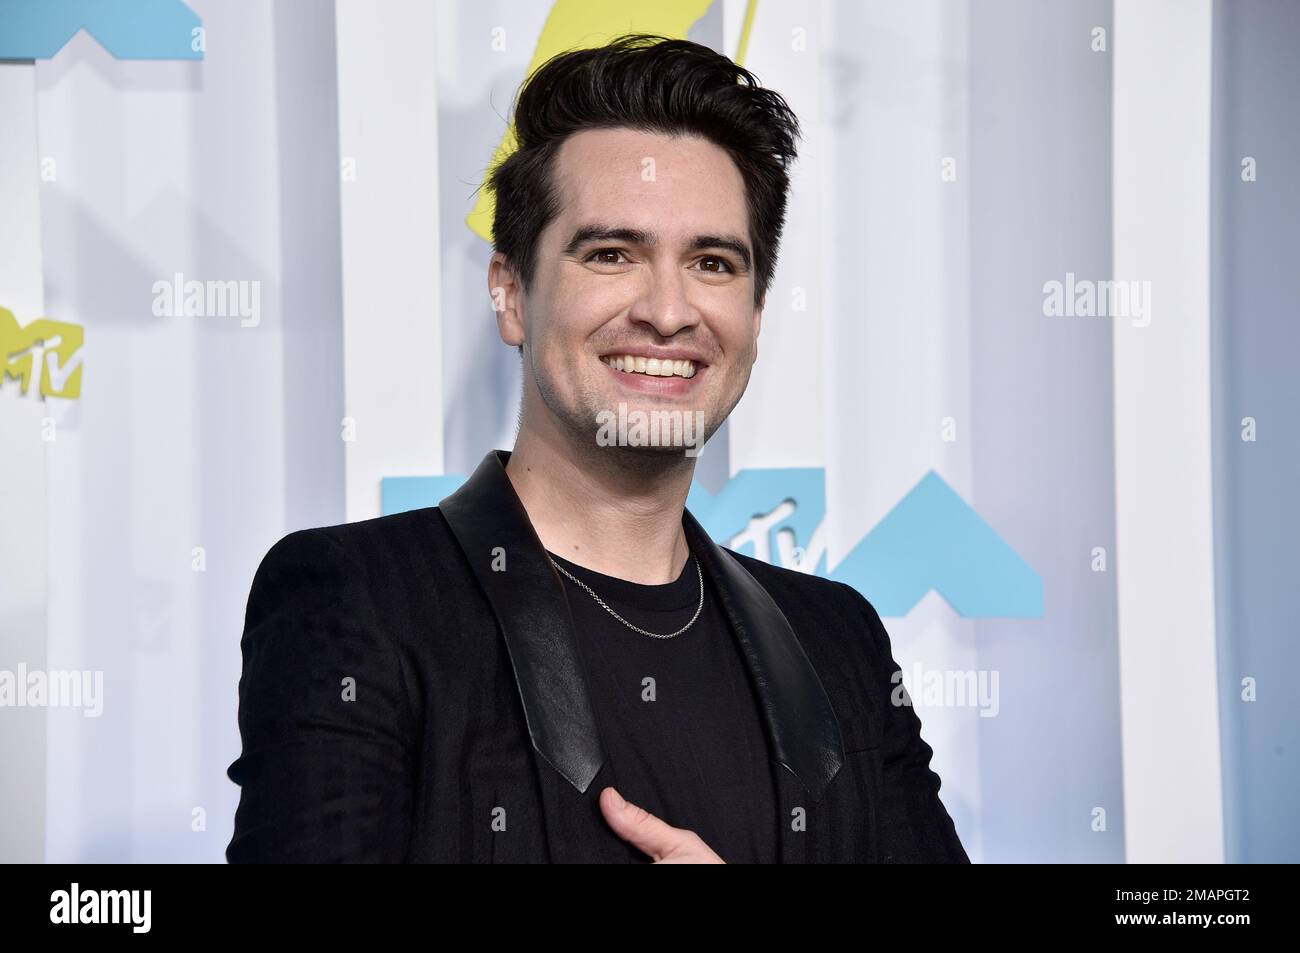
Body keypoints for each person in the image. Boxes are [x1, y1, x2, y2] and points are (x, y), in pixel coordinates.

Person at [225, 33, 968, 864]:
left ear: (754, 319)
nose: (667, 309)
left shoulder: (838, 642)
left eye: (713, 262)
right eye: (612, 253)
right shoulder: (360, 602)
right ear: (511, 293)